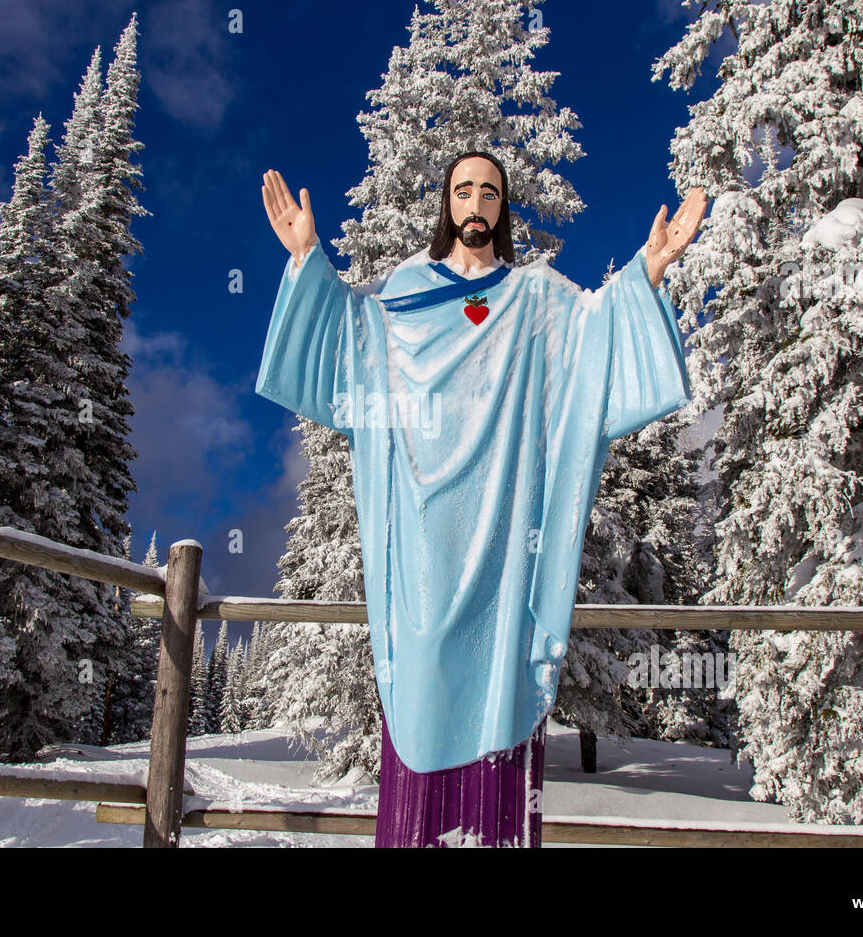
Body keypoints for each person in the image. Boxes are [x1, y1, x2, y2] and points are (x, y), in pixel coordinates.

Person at [257, 151, 706, 847]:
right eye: (463, 190)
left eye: (489, 192)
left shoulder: (537, 297)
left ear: (502, 207)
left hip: (504, 547)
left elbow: (597, 336)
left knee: (501, 687)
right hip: (422, 553)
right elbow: (351, 337)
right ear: (447, 203)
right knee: (425, 686)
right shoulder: (403, 294)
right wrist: (308, 260)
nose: (475, 203)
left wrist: (649, 271)